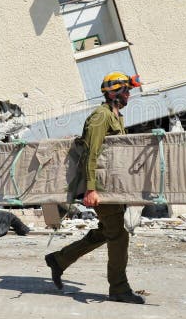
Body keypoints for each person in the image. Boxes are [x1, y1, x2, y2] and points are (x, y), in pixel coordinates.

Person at [44, 72, 146, 304]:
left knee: (106, 232)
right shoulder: (100, 117)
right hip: (99, 187)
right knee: (118, 236)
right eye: (125, 91)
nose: (129, 95)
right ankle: (119, 289)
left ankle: (59, 260)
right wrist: (91, 189)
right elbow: (90, 154)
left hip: (112, 188)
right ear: (112, 93)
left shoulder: (115, 116)